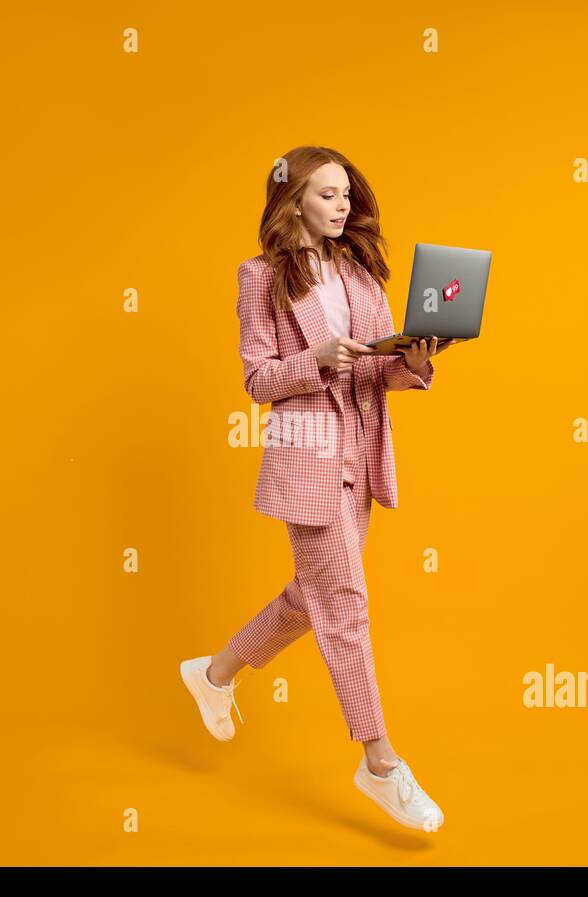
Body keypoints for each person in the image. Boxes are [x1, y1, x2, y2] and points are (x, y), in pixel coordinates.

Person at [180, 145, 457, 832]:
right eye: (329, 194)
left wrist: (413, 362)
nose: (343, 207)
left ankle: (213, 675)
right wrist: (315, 360)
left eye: (347, 196)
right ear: (294, 198)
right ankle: (381, 761)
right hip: (304, 453)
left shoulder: (362, 276)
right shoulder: (259, 277)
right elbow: (257, 381)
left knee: (314, 597)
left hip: (358, 453)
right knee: (346, 604)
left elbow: (376, 376)